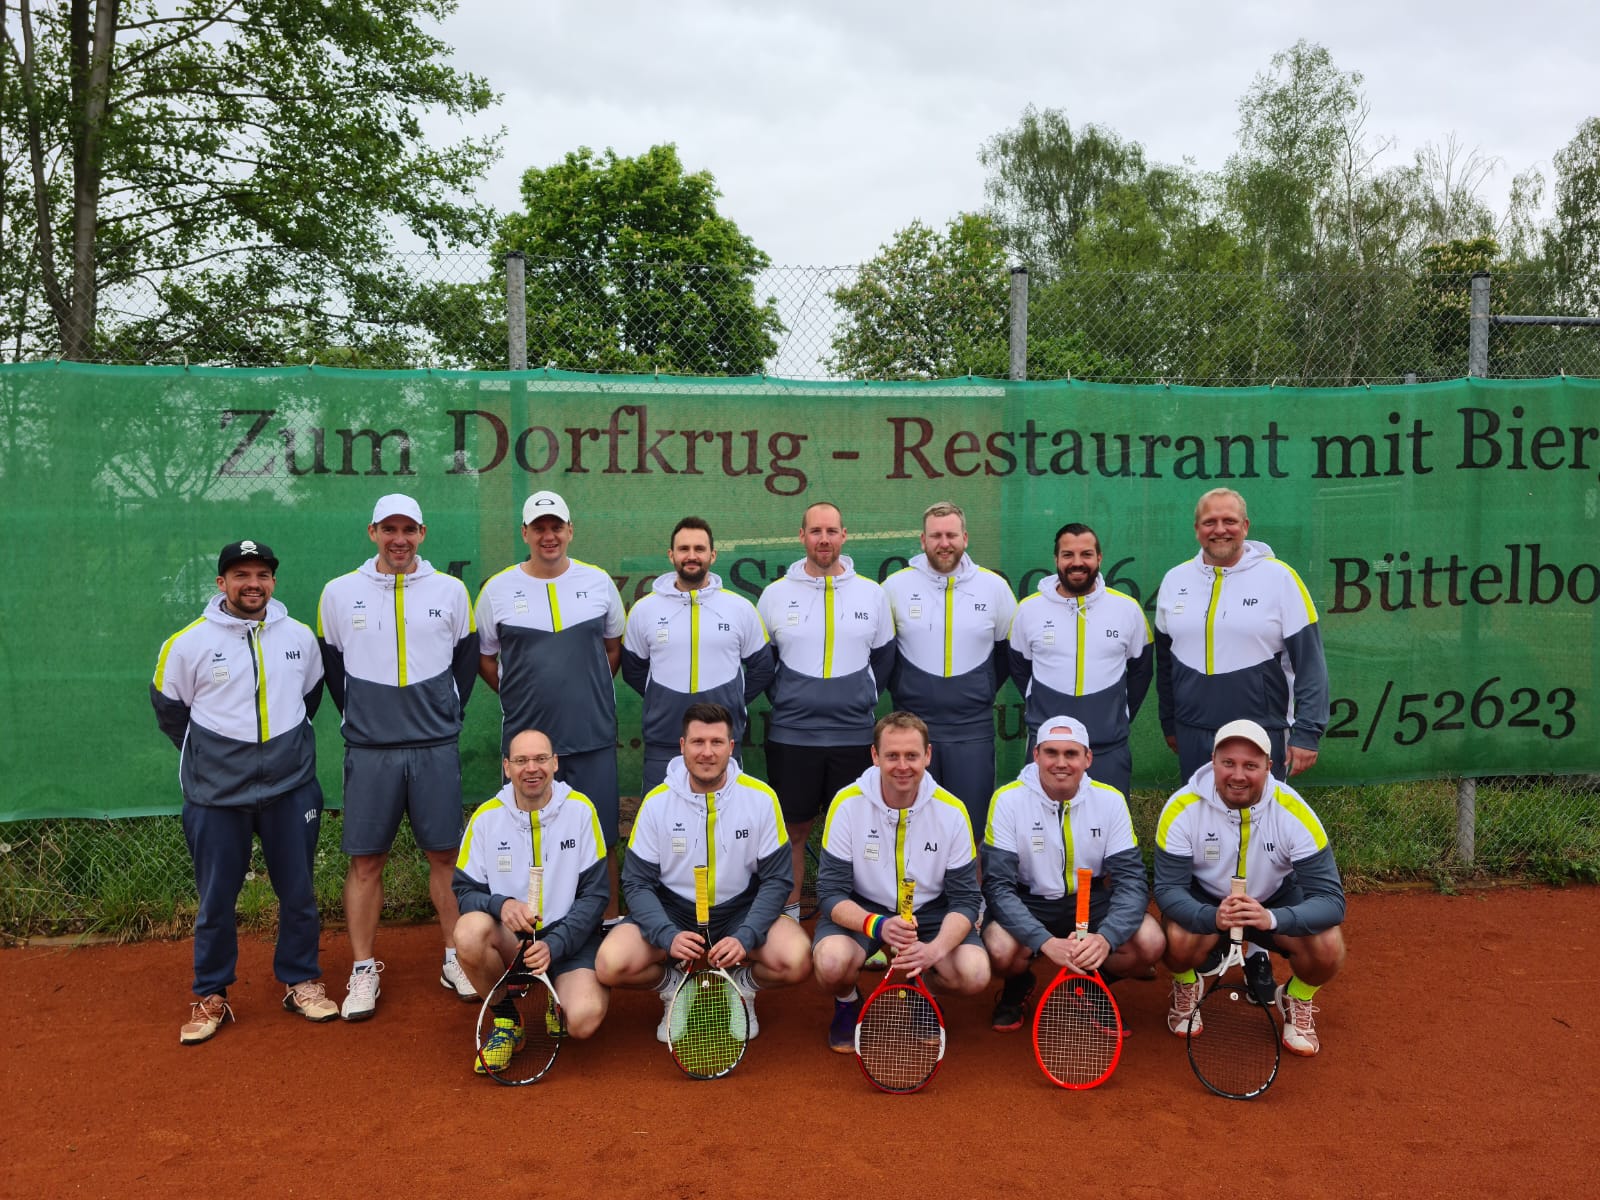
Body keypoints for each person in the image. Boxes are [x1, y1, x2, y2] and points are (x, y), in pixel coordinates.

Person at [152, 539, 336, 1043]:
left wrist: (278, 756)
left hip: (291, 789)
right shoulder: (186, 643)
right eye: (240, 575)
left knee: (298, 893)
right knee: (216, 899)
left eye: (262, 574)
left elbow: (309, 697)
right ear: (221, 584)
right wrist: (218, 760)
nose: (252, 584)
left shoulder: (299, 637)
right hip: (216, 797)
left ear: (273, 582)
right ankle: (211, 994)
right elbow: (172, 713)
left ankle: (301, 982)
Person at [318, 494, 479, 1020]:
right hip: (370, 751)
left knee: (445, 857)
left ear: (423, 533)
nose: (400, 539)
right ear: (373, 532)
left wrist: (439, 713)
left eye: (409, 529)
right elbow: (334, 669)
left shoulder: (452, 592)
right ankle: (363, 970)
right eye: (390, 529)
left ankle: (456, 958)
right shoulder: (339, 594)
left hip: (434, 747)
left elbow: (466, 663)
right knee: (366, 862)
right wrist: (369, 718)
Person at [595, 703, 809, 1040]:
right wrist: (666, 933)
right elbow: (636, 882)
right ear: (682, 747)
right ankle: (674, 986)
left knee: (797, 959)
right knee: (610, 963)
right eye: (697, 742)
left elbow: (778, 879)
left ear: (731, 747)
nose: (707, 753)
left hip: (738, 910)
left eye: (716, 742)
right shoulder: (656, 802)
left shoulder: (761, 798)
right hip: (674, 910)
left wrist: (747, 934)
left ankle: (742, 987)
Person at [1155, 719, 1346, 1057]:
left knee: (1328, 946)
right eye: (1228, 763)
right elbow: (1169, 890)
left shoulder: (1294, 813)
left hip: (1273, 903)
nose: (1238, 775)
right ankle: (1187, 984)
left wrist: (1271, 918)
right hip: (1209, 903)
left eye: (1250, 766)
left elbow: (1331, 901)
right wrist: (1210, 916)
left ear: (1269, 768)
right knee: (1173, 938)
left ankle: (1296, 997)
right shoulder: (1181, 809)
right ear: (1213, 762)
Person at [476, 490, 625, 912]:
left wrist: (585, 689)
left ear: (570, 530)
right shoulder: (497, 590)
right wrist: (520, 695)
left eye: (556, 526)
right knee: (528, 837)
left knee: (601, 838)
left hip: (592, 735)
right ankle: (535, 926)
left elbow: (613, 649)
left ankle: (608, 923)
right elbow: (486, 659)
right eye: (539, 527)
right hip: (528, 746)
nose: (548, 536)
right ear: (525, 532)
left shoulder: (598, 582)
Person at [812, 712, 990, 1053]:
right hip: (864, 907)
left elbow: (966, 899)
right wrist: (876, 924)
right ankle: (848, 1001)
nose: (902, 766)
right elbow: (830, 892)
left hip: (931, 909)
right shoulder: (846, 804)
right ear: (875, 756)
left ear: (928, 756)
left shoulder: (952, 811)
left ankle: (924, 991)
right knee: (831, 963)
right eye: (892, 755)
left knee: (975, 973)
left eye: (912, 755)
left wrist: (932, 951)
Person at [981, 715, 1165, 1031]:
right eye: (1051, 752)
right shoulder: (1007, 800)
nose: (1060, 763)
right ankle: (1018, 983)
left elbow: (1131, 881)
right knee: (998, 949)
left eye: (1071, 753)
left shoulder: (1110, 800)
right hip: (1030, 901)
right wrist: (1043, 941)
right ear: (1036, 755)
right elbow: (998, 887)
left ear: (1087, 758)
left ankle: (1091, 984)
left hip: (1090, 901)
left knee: (1150, 942)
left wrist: (1107, 938)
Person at [757, 500, 896, 917]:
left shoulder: (872, 594)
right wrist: (792, 699)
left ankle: (860, 920)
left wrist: (856, 698)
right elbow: (763, 664)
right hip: (791, 736)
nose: (823, 539)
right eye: (815, 531)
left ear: (844, 536)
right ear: (801, 537)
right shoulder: (775, 595)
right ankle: (790, 916)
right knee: (793, 830)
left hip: (854, 737)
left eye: (831, 531)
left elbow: (884, 661)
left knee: (859, 832)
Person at [453, 728, 610, 1070]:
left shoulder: (581, 811)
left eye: (540, 759)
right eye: (521, 760)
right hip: (515, 943)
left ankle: (559, 1001)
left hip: (570, 939)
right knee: (468, 932)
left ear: (555, 763)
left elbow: (596, 895)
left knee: (582, 1020)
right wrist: (502, 905)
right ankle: (508, 1022)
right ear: (507, 767)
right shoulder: (485, 819)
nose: (532, 768)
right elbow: (464, 892)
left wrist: (556, 943)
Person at [1154, 488, 1329, 779]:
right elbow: (1164, 664)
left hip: (1261, 733)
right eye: (1210, 522)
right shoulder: (1175, 580)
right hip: (1192, 732)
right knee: (1201, 819)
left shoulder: (1281, 578)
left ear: (1245, 526)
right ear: (1197, 529)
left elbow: (1311, 663)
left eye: (1230, 521)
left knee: (1258, 822)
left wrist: (1308, 731)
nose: (1220, 530)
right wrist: (1170, 722)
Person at [882, 501, 1016, 835]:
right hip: (911, 728)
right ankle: (914, 889)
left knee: (971, 824)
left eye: (951, 535)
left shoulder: (994, 588)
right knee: (913, 823)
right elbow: (883, 654)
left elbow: (1009, 653)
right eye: (936, 535)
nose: (945, 543)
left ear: (965, 538)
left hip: (972, 728)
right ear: (922, 540)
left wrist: (978, 689)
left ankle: (971, 889)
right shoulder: (894, 587)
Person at [621, 516, 774, 795]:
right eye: (683, 549)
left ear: (712, 555)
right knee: (661, 829)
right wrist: (663, 699)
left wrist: (729, 700)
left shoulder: (739, 609)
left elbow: (762, 668)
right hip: (663, 744)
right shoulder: (644, 611)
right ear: (671, 555)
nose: (692, 556)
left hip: (721, 743)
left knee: (724, 827)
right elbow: (633, 671)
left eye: (700, 549)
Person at [1008, 522, 1152, 797]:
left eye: (1086, 554)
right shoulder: (1028, 610)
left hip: (1108, 748)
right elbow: (1020, 669)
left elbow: (1140, 672)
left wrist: (1111, 714)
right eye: (1068, 555)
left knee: (1108, 834)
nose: (1077, 563)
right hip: (1048, 750)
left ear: (1099, 558)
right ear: (1056, 560)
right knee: (1041, 832)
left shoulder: (1127, 610)